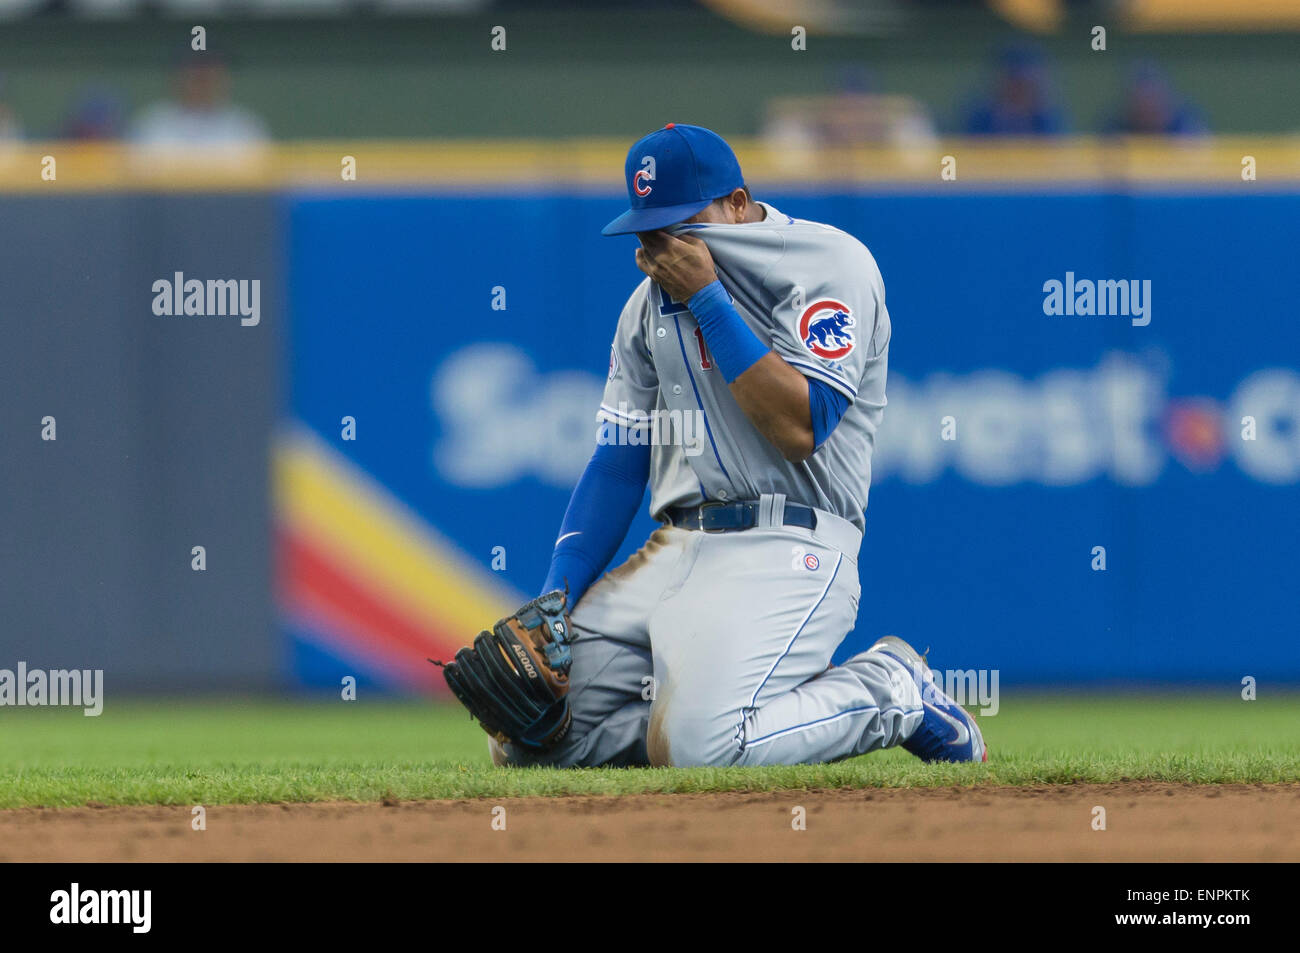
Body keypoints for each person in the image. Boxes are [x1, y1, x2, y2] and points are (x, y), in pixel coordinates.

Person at [478, 123, 986, 769]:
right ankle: (695, 725)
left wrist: (709, 299)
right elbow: (616, 465)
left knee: (703, 745)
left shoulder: (829, 264)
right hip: (675, 550)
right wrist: (554, 596)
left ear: (739, 204)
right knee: (526, 735)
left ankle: (891, 689)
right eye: (647, 230)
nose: (663, 247)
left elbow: (801, 426)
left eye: (683, 224)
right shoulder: (643, 309)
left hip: (791, 544)